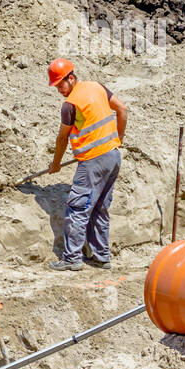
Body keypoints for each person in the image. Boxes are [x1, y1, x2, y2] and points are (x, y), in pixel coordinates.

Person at [45, 58, 127, 272]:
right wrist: (118, 138)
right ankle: (101, 256)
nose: (59, 90)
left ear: (71, 78)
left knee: (78, 208)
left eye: (60, 85)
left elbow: (62, 138)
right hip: (113, 156)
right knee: (99, 207)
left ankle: (72, 258)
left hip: (92, 161)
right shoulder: (96, 87)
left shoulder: (70, 104)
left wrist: (56, 163)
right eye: (56, 86)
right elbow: (122, 109)